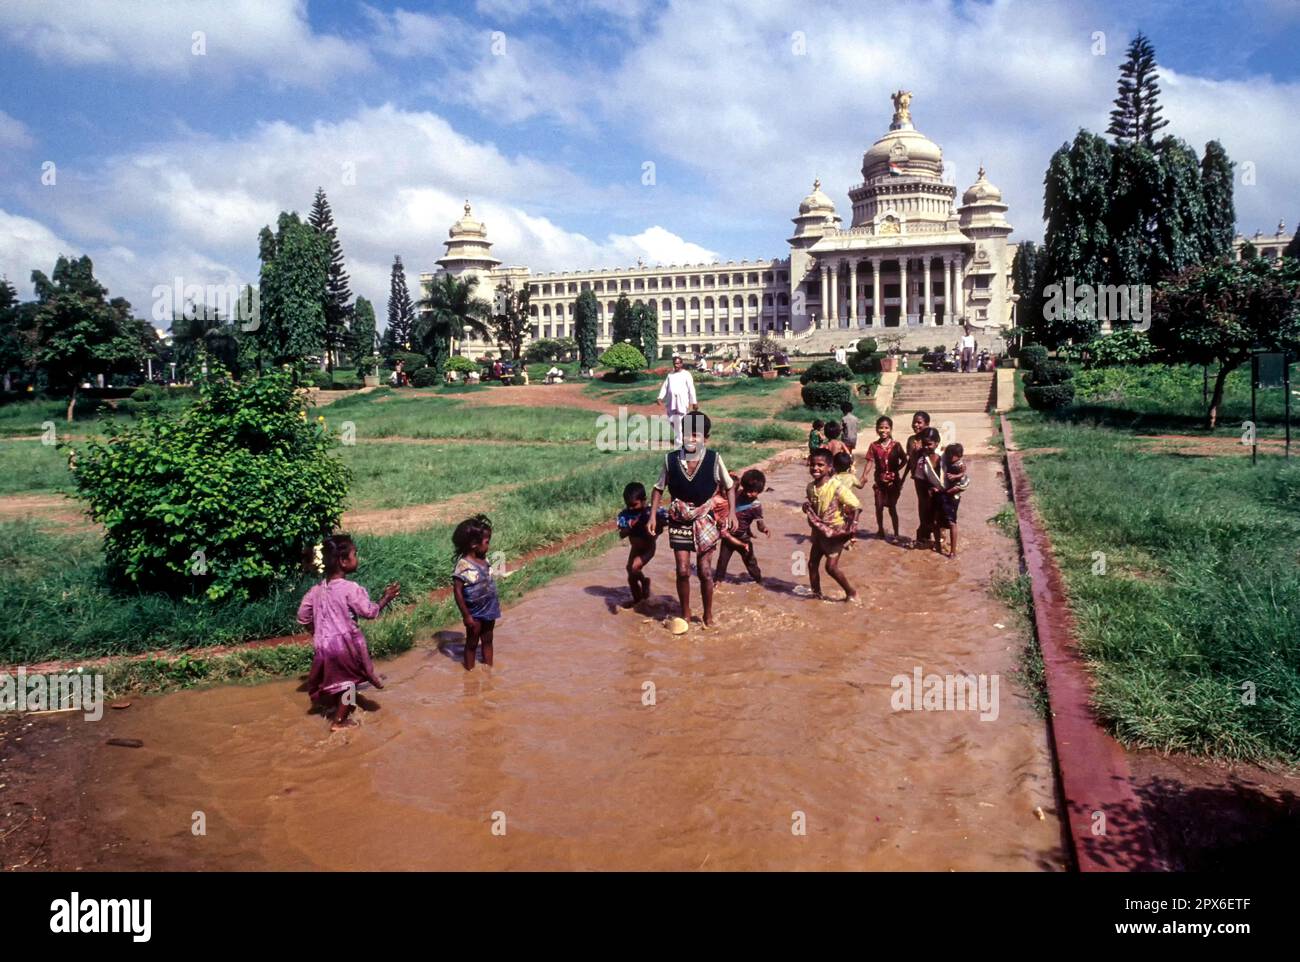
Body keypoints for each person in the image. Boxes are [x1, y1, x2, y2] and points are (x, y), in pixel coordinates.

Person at [297, 534, 400, 731]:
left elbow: (303, 616)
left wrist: (316, 632)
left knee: (337, 678)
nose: (357, 558)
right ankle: (339, 721)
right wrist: (385, 599)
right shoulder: (350, 589)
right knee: (349, 684)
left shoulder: (316, 590)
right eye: (355, 554)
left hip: (323, 645)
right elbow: (369, 612)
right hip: (345, 646)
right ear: (343, 562)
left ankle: (336, 706)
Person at [647, 411, 736, 628]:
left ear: (706, 438)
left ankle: (708, 616)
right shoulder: (671, 459)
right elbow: (659, 488)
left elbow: (730, 486)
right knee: (683, 570)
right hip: (679, 518)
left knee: (705, 571)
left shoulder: (714, 459)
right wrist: (652, 515)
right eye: (687, 434)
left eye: (696, 434)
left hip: (705, 518)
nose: (691, 439)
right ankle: (686, 614)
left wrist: (732, 513)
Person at [802, 449, 860, 602]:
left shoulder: (836, 486)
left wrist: (852, 527)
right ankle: (816, 595)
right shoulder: (810, 488)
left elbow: (855, 505)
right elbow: (814, 508)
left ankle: (851, 593)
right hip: (819, 533)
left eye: (820, 465)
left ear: (829, 467)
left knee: (831, 568)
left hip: (835, 534)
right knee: (812, 564)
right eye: (812, 465)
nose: (815, 468)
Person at [451, 514, 500, 670]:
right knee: (472, 644)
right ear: (474, 544)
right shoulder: (463, 565)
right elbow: (457, 591)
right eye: (487, 542)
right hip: (474, 613)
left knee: (488, 640)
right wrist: (466, 615)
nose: (489, 545)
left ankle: (489, 669)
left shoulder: (484, 559)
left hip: (490, 608)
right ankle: (470, 671)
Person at [715, 468, 769, 584]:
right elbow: (726, 488)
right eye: (747, 490)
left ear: (759, 491)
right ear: (743, 487)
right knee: (722, 563)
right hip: (728, 537)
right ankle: (718, 582)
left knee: (751, 563)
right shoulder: (736, 494)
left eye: (753, 491)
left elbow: (759, 523)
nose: (749, 494)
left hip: (743, 538)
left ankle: (759, 582)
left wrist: (764, 529)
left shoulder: (756, 506)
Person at [618, 482, 668, 606]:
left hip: (648, 548)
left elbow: (666, 521)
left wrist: (658, 522)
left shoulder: (650, 513)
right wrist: (632, 524)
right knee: (631, 575)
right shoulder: (625, 515)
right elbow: (622, 534)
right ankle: (638, 602)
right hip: (635, 548)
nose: (631, 508)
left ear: (644, 501)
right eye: (628, 505)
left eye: (634, 505)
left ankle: (644, 583)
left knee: (634, 567)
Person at [860, 415, 906, 541]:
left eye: (886, 428)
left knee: (892, 508)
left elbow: (904, 460)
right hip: (879, 482)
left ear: (890, 429)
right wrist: (864, 475)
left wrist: (895, 471)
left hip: (893, 483)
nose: (883, 430)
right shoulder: (874, 446)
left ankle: (896, 534)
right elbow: (869, 461)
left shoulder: (896, 445)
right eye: (881, 428)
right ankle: (880, 530)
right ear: (877, 429)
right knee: (879, 507)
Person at [898, 411, 935, 549]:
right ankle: (924, 535)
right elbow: (910, 461)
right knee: (922, 505)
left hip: (930, 479)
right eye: (914, 422)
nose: (916, 425)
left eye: (919, 422)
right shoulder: (911, 440)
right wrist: (903, 479)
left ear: (927, 424)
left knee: (932, 506)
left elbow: (935, 458)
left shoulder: (930, 439)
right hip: (918, 478)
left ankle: (933, 534)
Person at [910, 427, 945, 553]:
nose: (926, 447)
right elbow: (918, 479)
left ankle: (940, 544)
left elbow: (948, 477)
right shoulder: (922, 461)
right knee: (926, 521)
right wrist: (925, 496)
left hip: (941, 496)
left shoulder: (943, 458)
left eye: (929, 444)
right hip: (927, 495)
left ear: (937, 443)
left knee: (940, 522)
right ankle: (924, 544)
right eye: (924, 444)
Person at [934, 443, 969, 557]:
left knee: (951, 522)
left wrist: (957, 476)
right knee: (939, 521)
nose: (949, 457)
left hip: (952, 496)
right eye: (947, 455)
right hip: (947, 493)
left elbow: (964, 480)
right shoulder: (949, 462)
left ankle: (952, 551)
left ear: (958, 455)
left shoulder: (959, 465)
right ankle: (940, 546)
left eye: (951, 455)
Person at [657, 355, 699, 445]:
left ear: (681, 364)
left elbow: (691, 388)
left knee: (681, 420)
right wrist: (660, 397)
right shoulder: (670, 375)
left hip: (682, 401)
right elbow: (665, 386)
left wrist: (694, 402)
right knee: (671, 420)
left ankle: (681, 440)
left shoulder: (686, 374)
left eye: (678, 363)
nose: (676, 365)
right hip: (671, 401)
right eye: (675, 363)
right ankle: (679, 436)